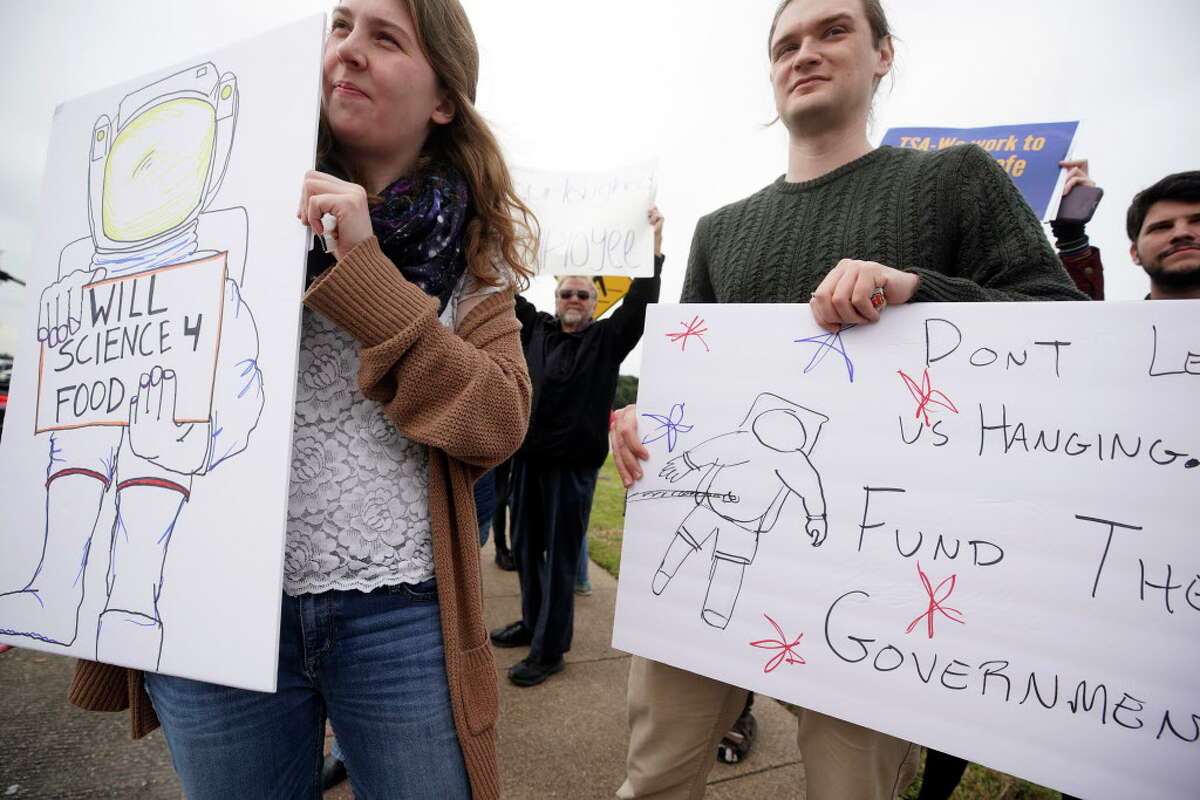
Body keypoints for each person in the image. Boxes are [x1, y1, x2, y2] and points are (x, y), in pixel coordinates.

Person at [609, 1, 1084, 798]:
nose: (805, 54)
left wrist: (917, 290)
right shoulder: (721, 231)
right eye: (785, 44)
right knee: (653, 776)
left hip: (877, 581)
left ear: (884, 55)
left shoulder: (953, 179)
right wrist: (643, 420)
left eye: (833, 31)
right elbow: (686, 385)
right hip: (711, 576)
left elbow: (1061, 321)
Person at [66, 1, 534, 798]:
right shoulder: (217, 202)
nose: (347, 51)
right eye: (341, 25)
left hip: (401, 618)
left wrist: (366, 275)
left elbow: (496, 423)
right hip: (214, 608)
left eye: (384, 38)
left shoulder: (473, 258)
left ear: (443, 99)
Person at [489, 208, 664, 687]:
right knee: (525, 551)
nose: (573, 299)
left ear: (594, 302)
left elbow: (643, 300)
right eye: (566, 292)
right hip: (527, 461)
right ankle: (531, 623)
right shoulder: (537, 329)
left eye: (582, 294)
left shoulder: (608, 338)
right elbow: (503, 289)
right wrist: (492, 231)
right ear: (556, 296)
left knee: (563, 559)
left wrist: (653, 246)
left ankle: (550, 649)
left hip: (573, 469)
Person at [1127, 170, 1200, 300]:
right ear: (1135, 252)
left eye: (1197, 221)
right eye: (1162, 227)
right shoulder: (1100, 320)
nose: (1181, 233)